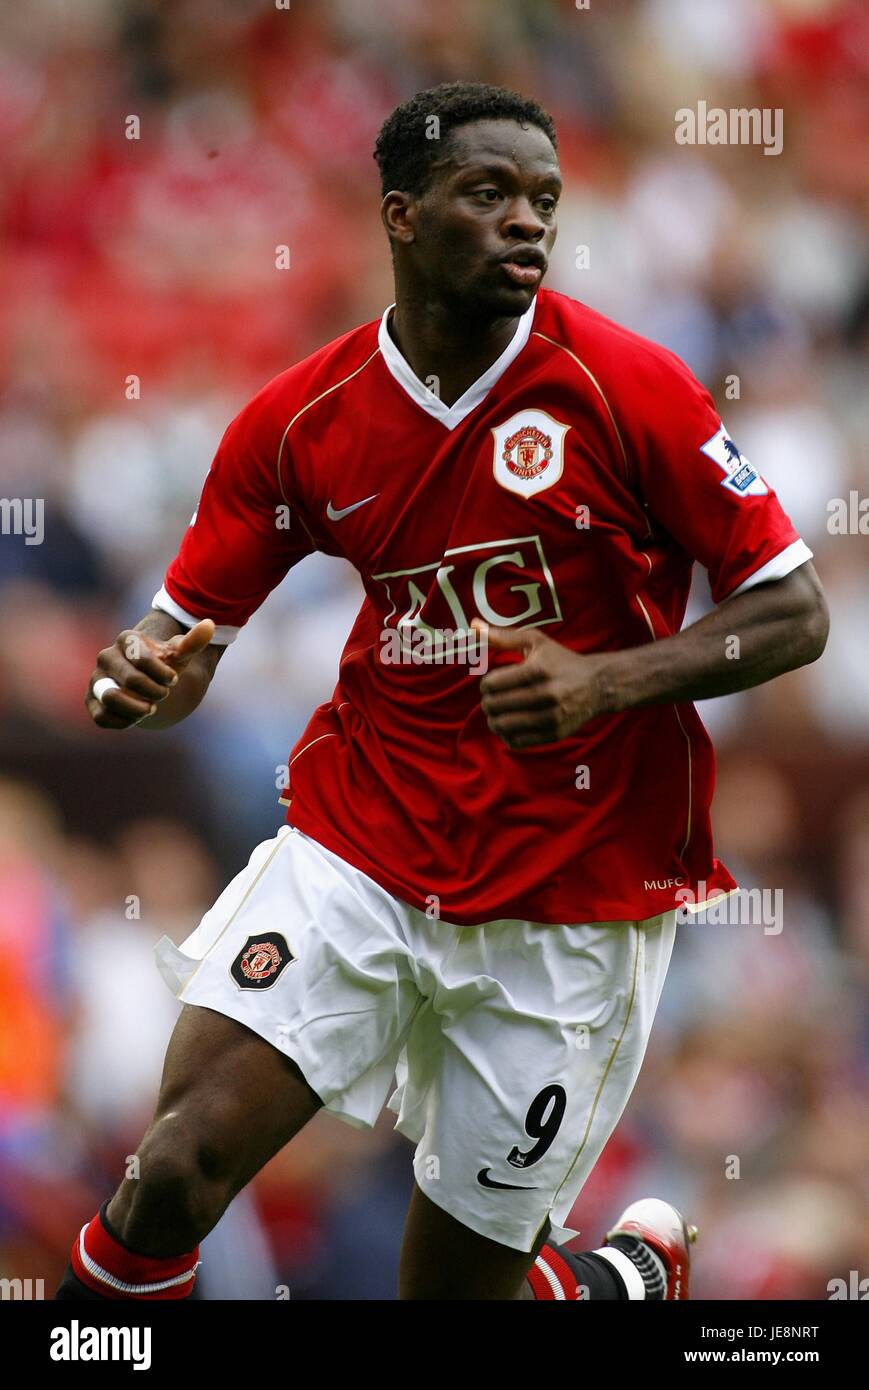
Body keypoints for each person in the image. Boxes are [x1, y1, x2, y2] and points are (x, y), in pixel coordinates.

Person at [56, 82, 828, 1302]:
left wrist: (607, 682)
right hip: (360, 846)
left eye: (544, 201)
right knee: (169, 1170)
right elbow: (174, 642)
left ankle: (606, 1281)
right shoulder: (301, 419)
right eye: (490, 194)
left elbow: (795, 613)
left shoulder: (629, 388)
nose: (527, 222)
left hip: (571, 893)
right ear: (401, 215)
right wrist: (144, 677)